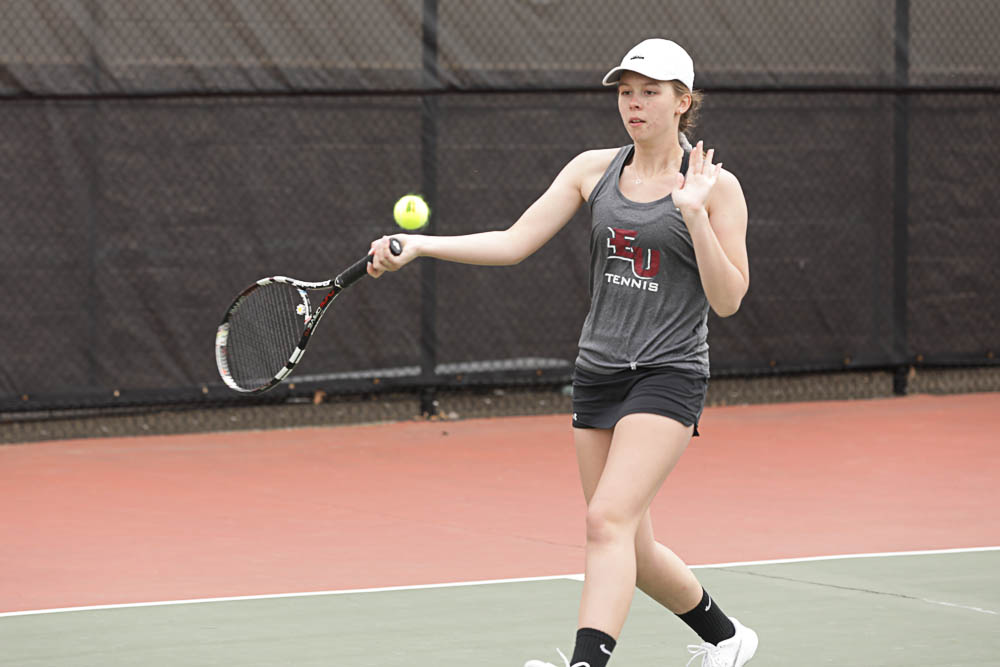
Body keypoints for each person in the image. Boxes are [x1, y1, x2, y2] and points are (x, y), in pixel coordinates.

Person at [368, 38, 756, 667]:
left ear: (684, 102)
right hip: (597, 372)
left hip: (668, 373)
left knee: (605, 521)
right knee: (632, 544)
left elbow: (729, 297)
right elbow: (513, 241)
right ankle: (729, 637)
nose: (634, 104)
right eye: (626, 92)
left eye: (650, 92)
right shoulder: (591, 169)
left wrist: (694, 217)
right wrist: (421, 246)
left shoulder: (717, 188)